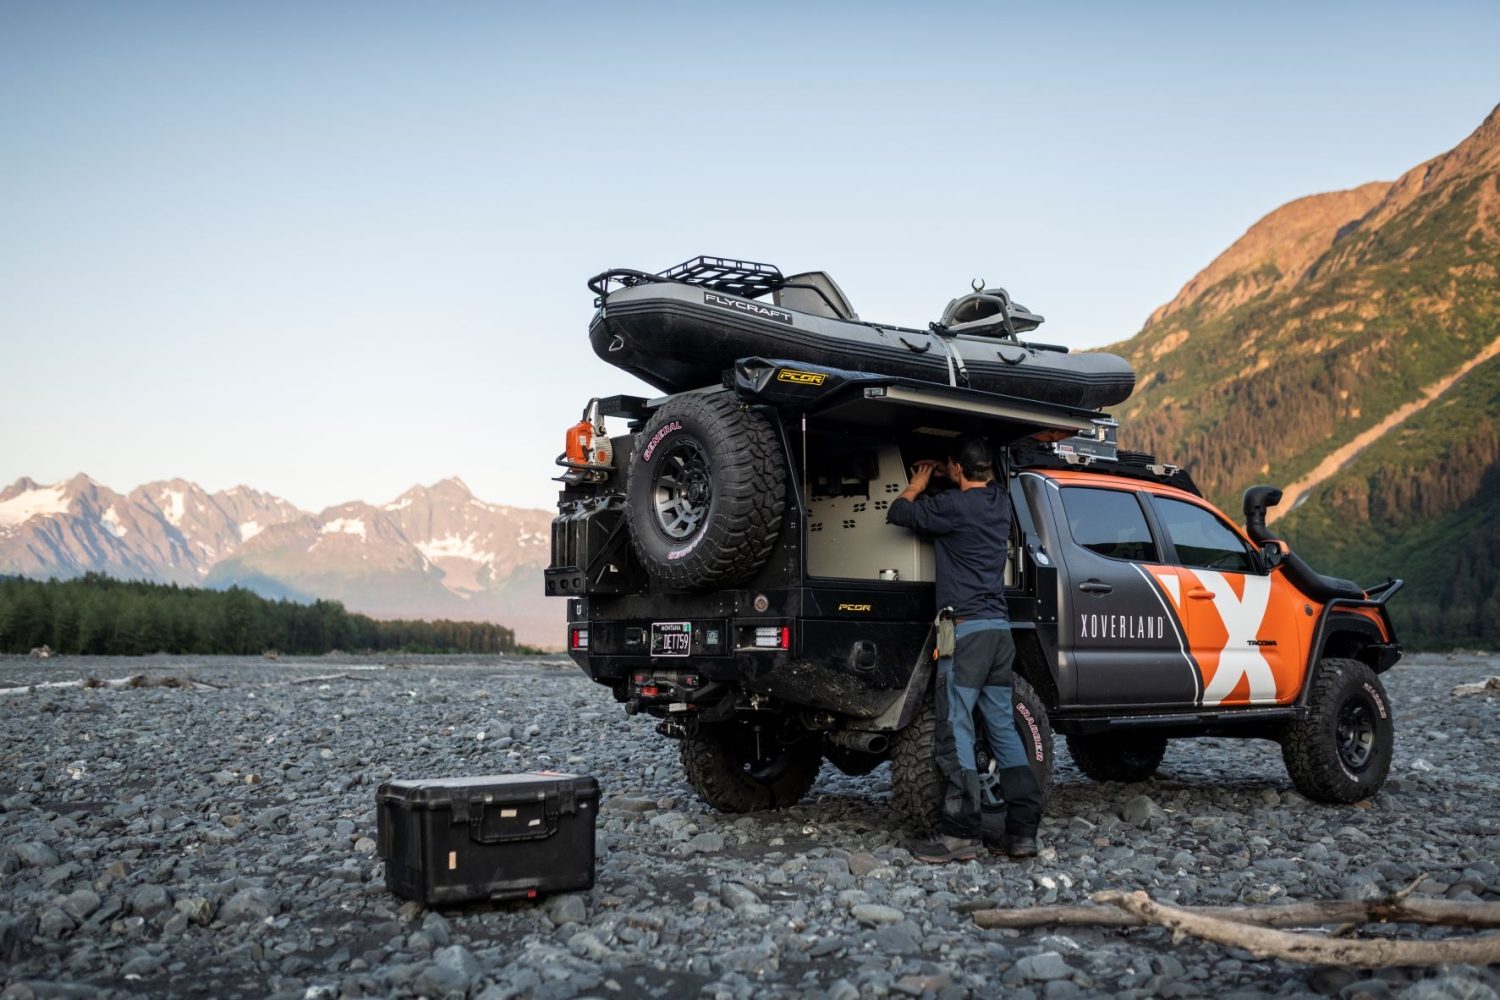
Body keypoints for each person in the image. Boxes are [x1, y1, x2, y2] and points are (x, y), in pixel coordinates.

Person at [885, 436, 1044, 863]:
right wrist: (948, 470)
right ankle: (1023, 832)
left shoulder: (951, 508)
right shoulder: (1000, 503)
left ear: (958, 469)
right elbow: (976, 483)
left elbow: (899, 512)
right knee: (1003, 730)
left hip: (966, 632)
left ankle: (960, 835)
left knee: (955, 730)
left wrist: (919, 481)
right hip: (999, 632)